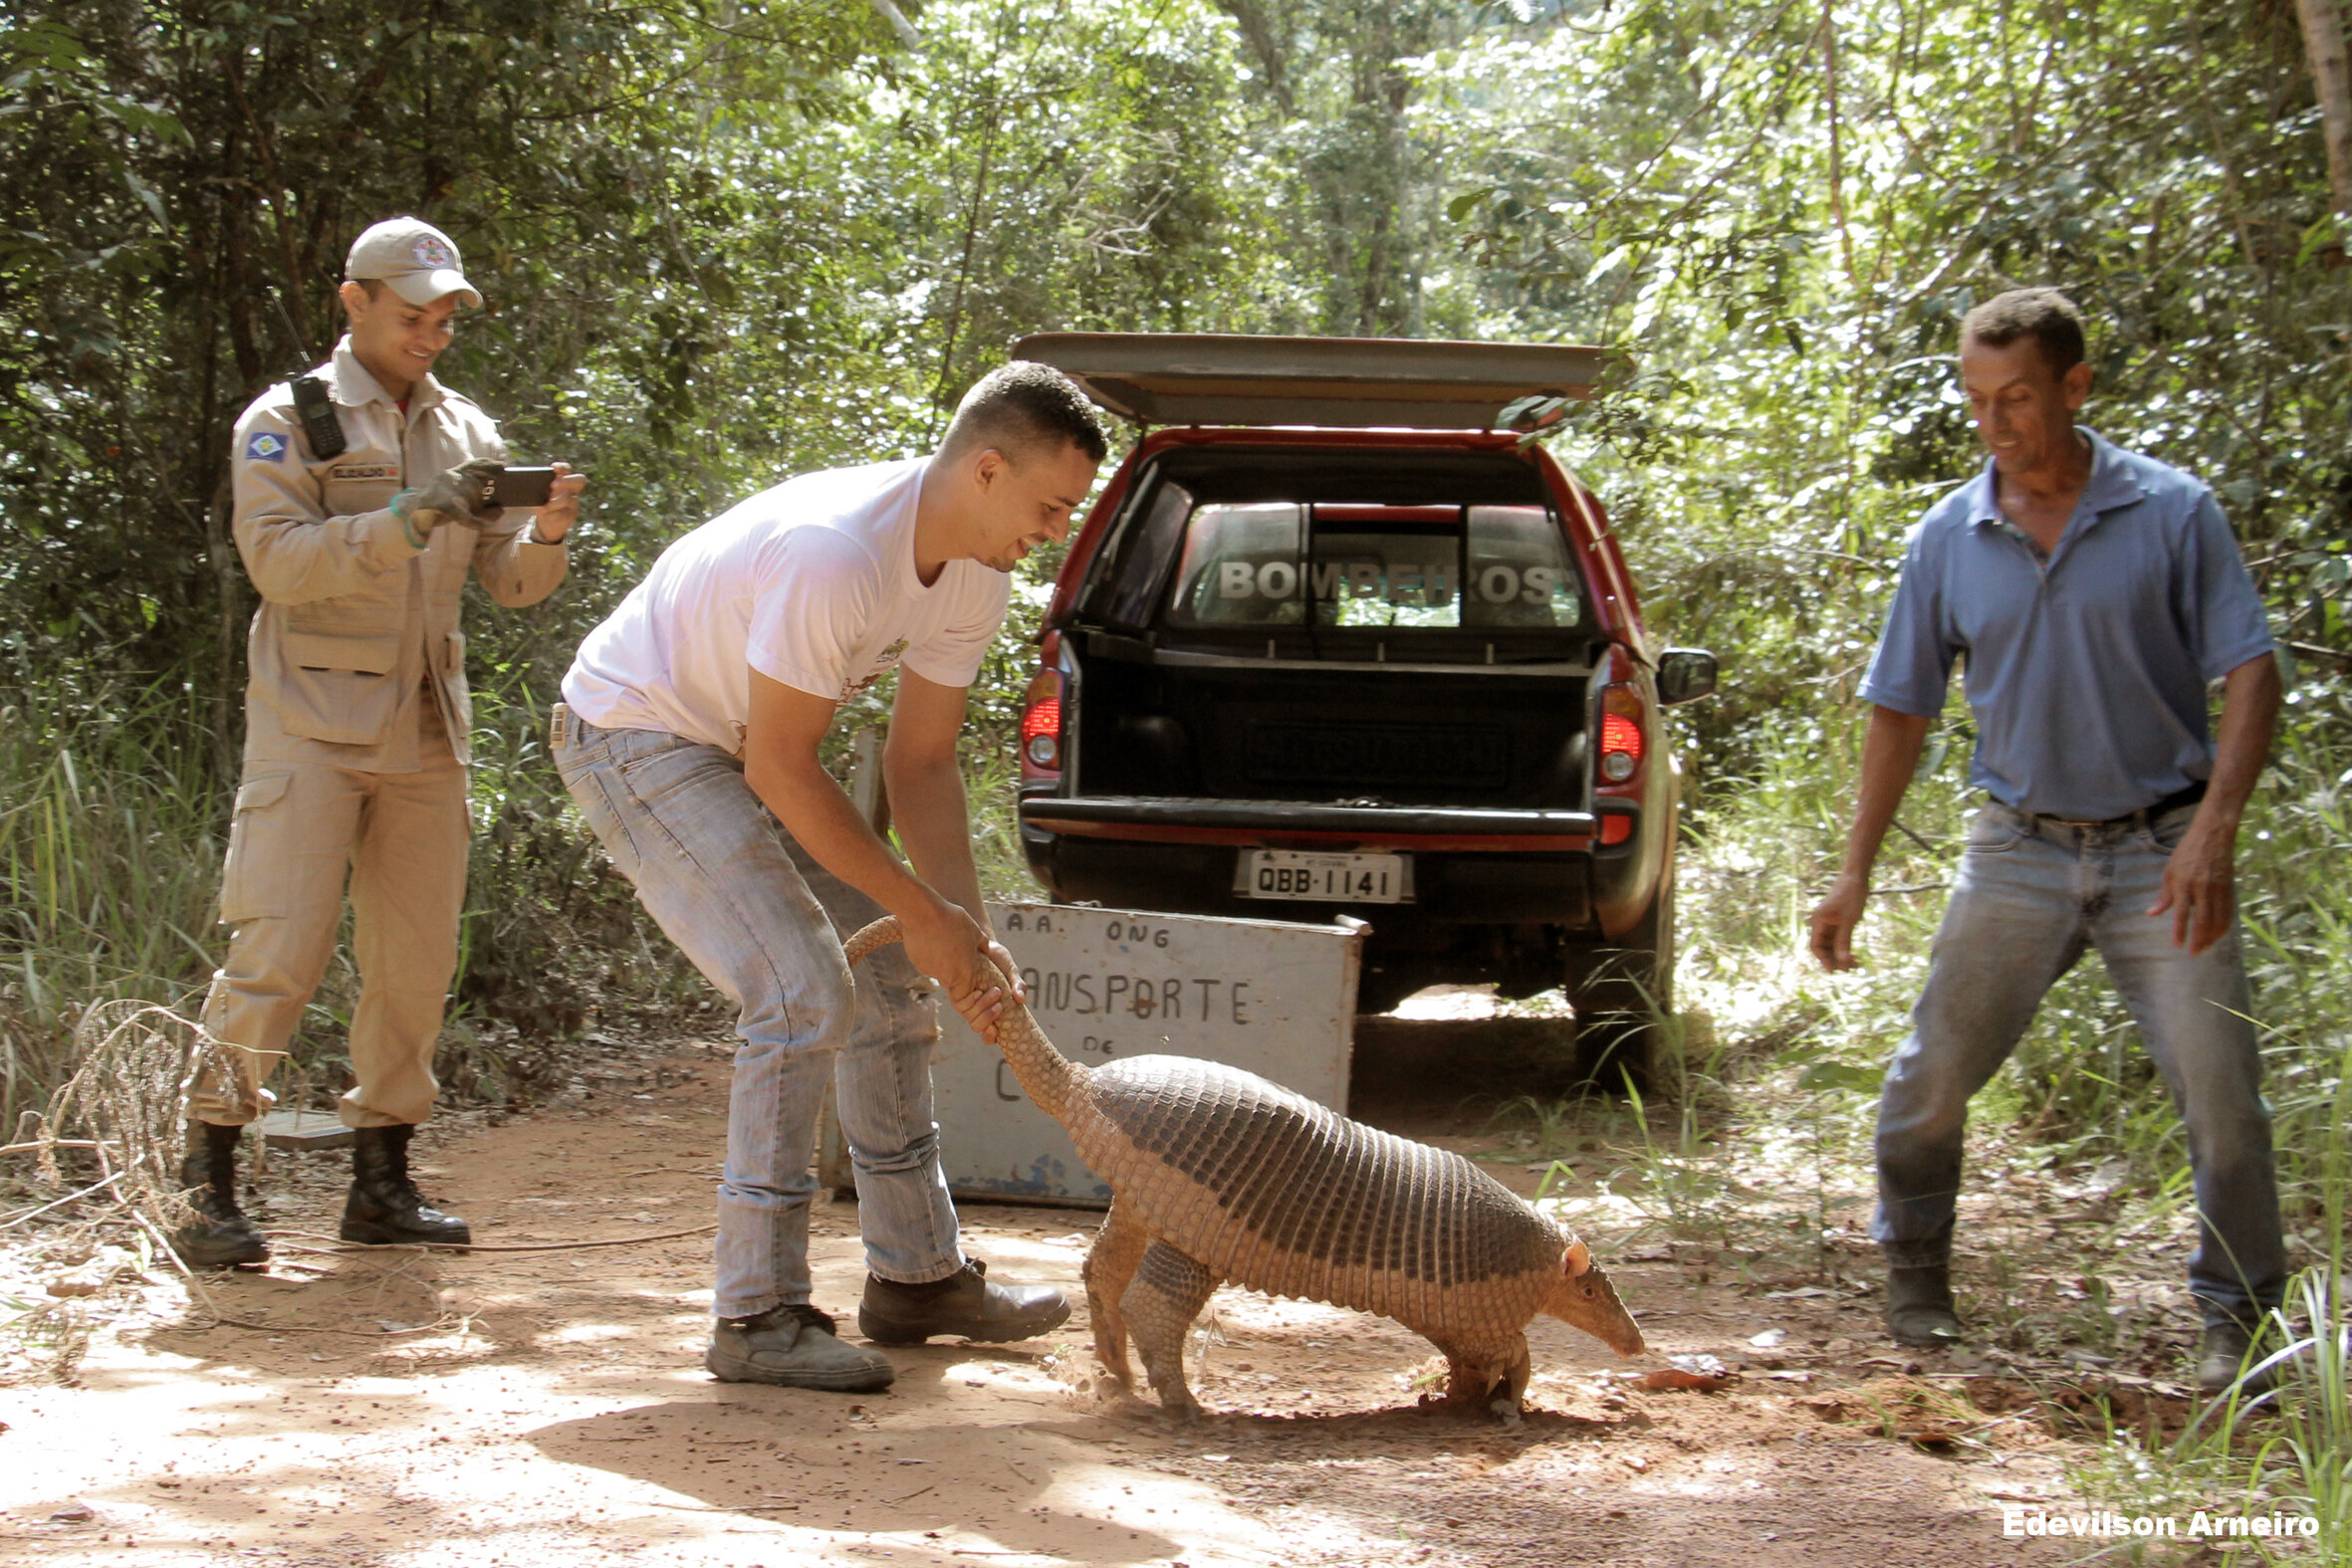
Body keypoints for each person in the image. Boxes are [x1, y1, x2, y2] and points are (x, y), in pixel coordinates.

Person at [550, 363, 1104, 1391]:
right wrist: (921, 913)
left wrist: (963, 940)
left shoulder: (974, 567)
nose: (1054, 529)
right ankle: (755, 1315)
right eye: (1050, 505)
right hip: (636, 734)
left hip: (746, 742)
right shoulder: (836, 553)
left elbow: (921, 762)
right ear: (986, 470)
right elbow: (778, 763)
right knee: (802, 986)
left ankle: (918, 1279)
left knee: (895, 972)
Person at [1807, 288, 2287, 1397]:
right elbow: (1901, 710)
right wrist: (1854, 871)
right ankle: (1915, 1273)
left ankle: (2238, 1323)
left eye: (2017, 397)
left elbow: (2251, 671)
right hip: (2016, 848)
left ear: (2075, 387)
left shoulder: (2171, 513)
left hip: (2159, 848)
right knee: (1928, 1081)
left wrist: (2212, 830)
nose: (1994, 423)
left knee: (2221, 1098)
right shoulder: (1947, 534)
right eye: (1977, 400)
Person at [174, 216, 588, 1269]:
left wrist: (546, 531)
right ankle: (207, 1178)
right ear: (352, 302)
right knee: (277, 951)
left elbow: (510, 587)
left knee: (413, 965)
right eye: (413, 315)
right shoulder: (287, 422)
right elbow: (280, 564)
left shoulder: (467, 431)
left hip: (424, 729)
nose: (433, 334)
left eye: (445, 317)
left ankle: (381, 1178)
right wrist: (402, 519)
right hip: (311, 726)